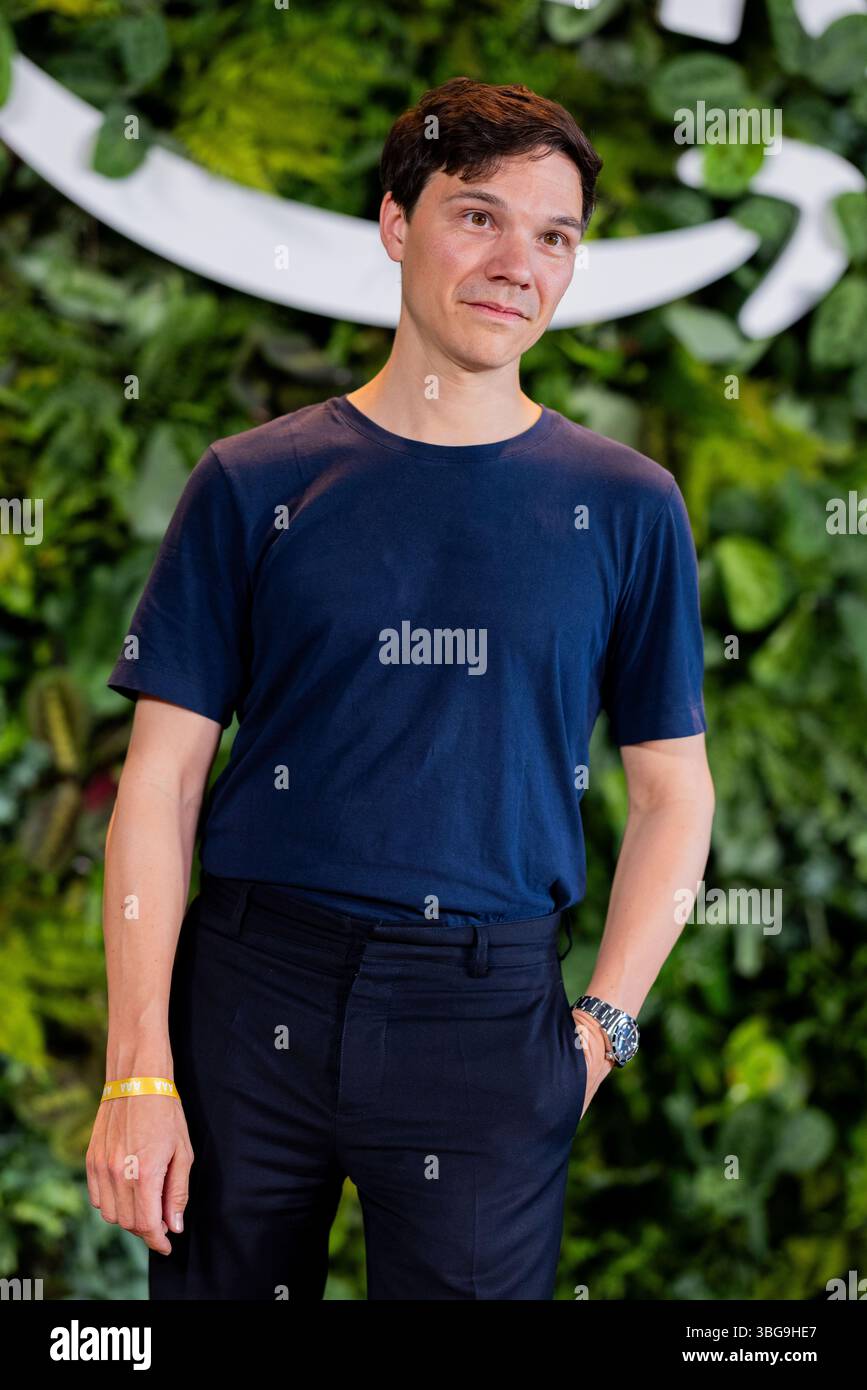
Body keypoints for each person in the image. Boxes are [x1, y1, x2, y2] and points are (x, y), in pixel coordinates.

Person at [88, 76, 714, 1301]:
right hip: (247, 1000)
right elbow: (157, 786)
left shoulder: (629, 507)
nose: (516, 262)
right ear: (394, 222)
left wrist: (597, 1039)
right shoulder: (251, 481)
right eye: (478, 215)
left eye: (554, 236)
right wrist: (139, 1072)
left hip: (487, 1022)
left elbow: (673, 797)